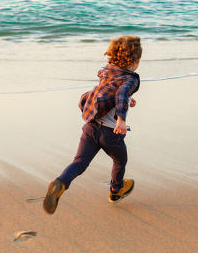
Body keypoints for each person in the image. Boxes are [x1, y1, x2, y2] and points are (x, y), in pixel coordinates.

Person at [43, 35, 142, 214]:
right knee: (120, 160)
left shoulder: (107, 71)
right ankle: (115, 191)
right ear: (134, 61)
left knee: (79, 162)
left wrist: (128, 99)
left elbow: (110, 91)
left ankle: (60, 183)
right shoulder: (131, 78)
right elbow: (120, 93)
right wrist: (121, 119)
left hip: (90, 127)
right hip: (110, 133)